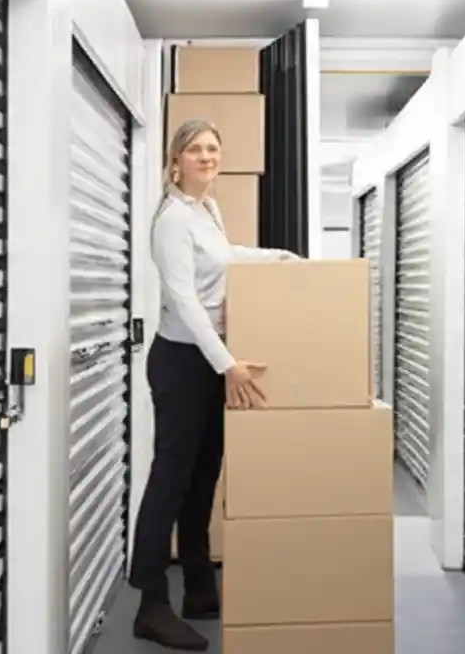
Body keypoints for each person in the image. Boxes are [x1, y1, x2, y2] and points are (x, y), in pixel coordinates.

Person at [131, 119, 299, 649]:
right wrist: (228, 365)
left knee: (204, 476)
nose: (205, 157)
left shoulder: (206, 210)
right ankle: (151, 603)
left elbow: (224, 261)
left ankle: (199, 587)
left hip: (208, 362)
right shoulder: (171, 220)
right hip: (182, 363)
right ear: (175, 160)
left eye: (212, 149)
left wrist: (277, 256)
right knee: (170, 480)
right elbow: (183, 298)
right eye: (194, 150)